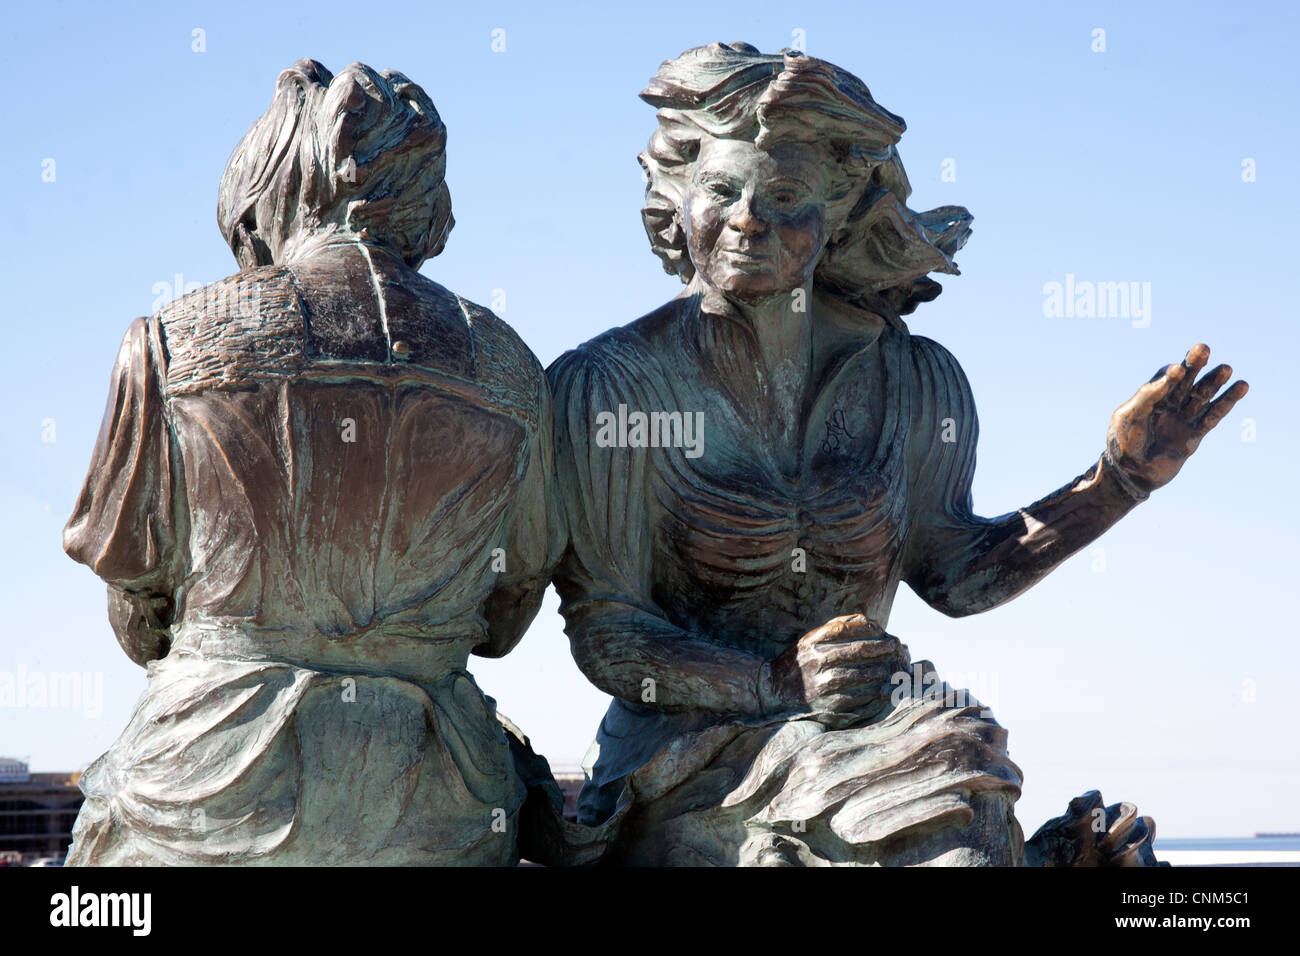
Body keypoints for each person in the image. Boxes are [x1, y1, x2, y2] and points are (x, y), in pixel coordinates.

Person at [547, 43, 1247, 866]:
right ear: (677, 196)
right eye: (723, 191)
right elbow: (611, 632)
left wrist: (1119, 482)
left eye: (784, 197)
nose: (747, 220)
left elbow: (957, 575)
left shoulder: (914, 381)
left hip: (876, 736)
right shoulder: (610, 387)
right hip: (688, 761)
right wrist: (774, 683)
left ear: (836, 215)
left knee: (961, 760)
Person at [63, 59, 562, 865]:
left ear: (262, 200)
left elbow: (137, 611)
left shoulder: (169, 342)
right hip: (438, 794)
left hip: (204, 783)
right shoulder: (512, 369)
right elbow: (505, 619)